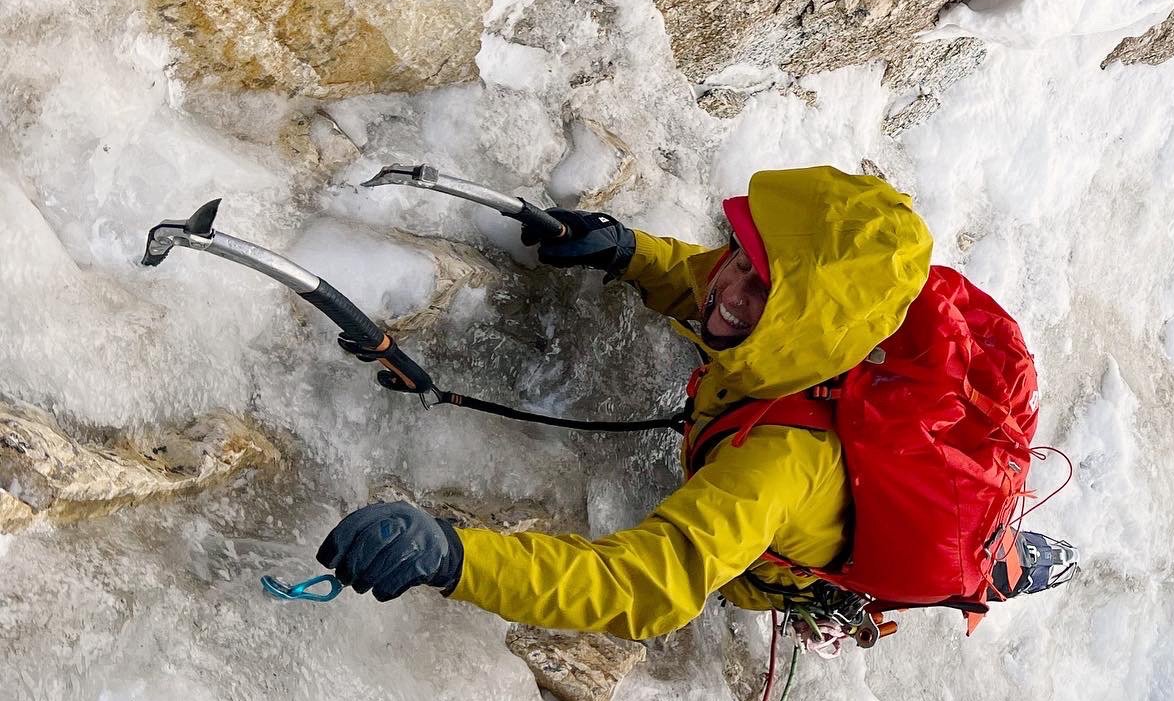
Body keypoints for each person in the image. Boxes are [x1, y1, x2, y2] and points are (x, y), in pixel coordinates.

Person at [316, 165, 934, 639]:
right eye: (743, 260)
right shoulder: (822, 328)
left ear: (797, 327)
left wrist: (455, 559)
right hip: (757, 423)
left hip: (766, 561)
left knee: (738, 571)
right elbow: (710, 282)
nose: (732, 291)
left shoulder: (775, 469)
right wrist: (628, 251)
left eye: (764, 293)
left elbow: (643, 585)